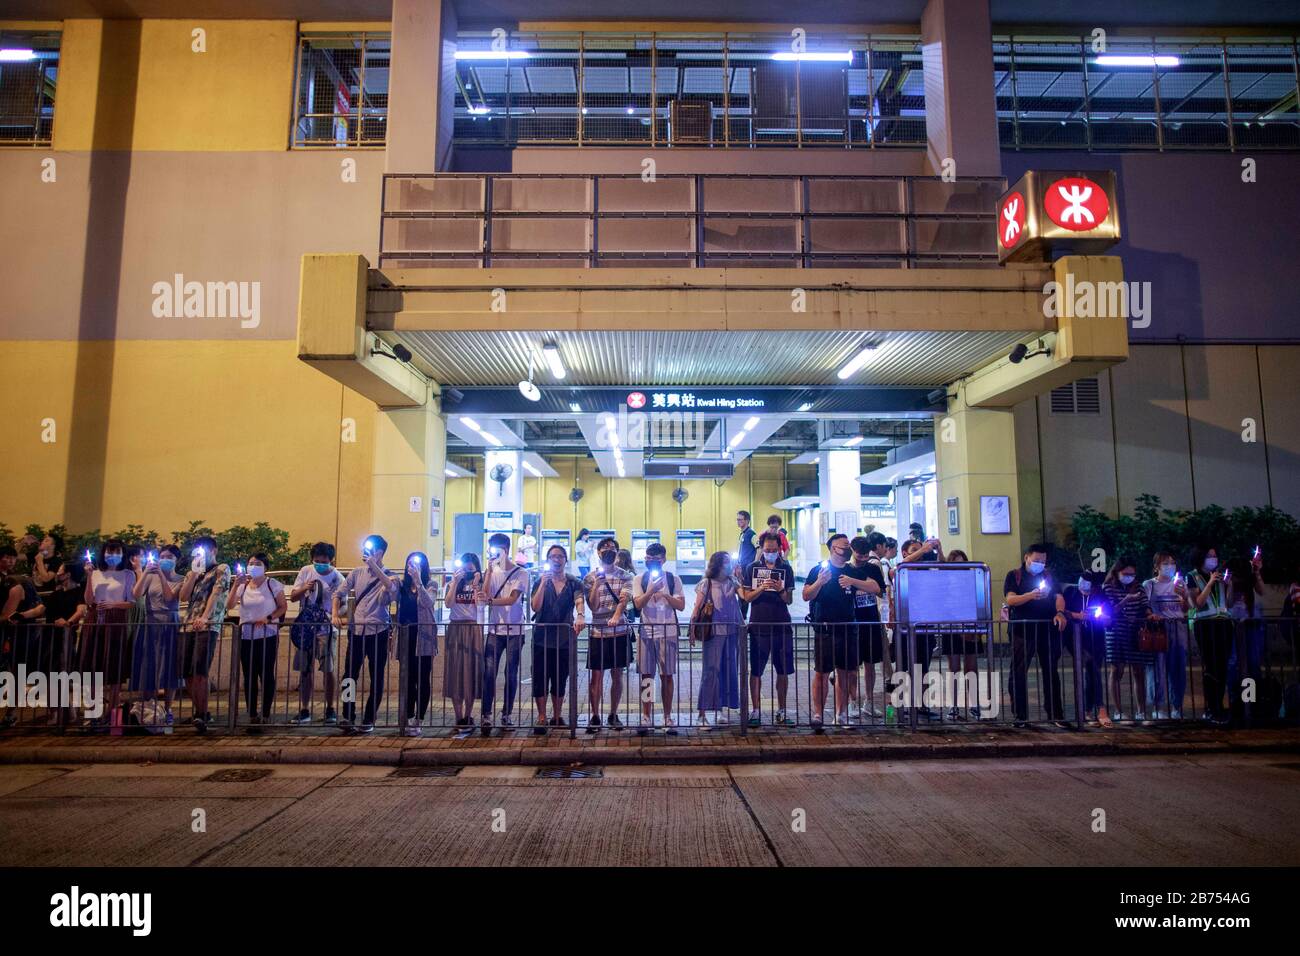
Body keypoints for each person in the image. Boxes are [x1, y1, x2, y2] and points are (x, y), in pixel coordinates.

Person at [803, 534, 876, 730]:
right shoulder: (819, 569)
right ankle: (818, 714)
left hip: (848, 628)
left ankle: (841, 714)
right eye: (844, 547)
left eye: (848, 547)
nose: (847, 550)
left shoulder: (852, 571)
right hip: (825, 628)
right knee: (821, 673)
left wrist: (853, 581)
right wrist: (820, 582)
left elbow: (875, 587)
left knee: (845, 673)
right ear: (832, 548)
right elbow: (806, 595)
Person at [332, 535, 400, 734]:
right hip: (357, 631)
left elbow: (393, 591)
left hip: (378, 631)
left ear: (380, 553)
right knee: (349, 675)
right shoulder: (357, 573)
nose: (368, 552)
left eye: (373, 550)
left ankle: (369, 717)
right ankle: (347, 715)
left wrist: (375, 567)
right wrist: (335, 614)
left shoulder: (390, 575)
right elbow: (338, 593)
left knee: (376, 676)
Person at [1003, 544, 1067, 728]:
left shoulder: (1048, 576)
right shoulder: (1014, 575)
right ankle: (1020, 716)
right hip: (1022, 631)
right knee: (1018, 671)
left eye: (1043, 561)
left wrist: (1060, 612)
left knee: (1051, 671)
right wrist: (1030, 595)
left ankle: (1056, 714)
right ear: (1026, 558)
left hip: (1046, 629)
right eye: (1036, 560)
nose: (1040, 564)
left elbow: (1058, 596)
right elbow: (1011, 599)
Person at [739, 531, 795, 727]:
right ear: (761, 548)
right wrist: (762, 587)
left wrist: (780, 589)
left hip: (782, 625)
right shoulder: (752, 568)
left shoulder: (786, 568)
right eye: (767, 549)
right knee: (756, 671)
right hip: (758, 625)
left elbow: (789, 599)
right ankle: (755, 711)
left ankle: (781, 710)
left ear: (779, 549)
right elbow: (747, 597)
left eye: (774, 550)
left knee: (783, 671)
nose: (771, 553)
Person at [228, 553, 288, 732]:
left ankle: (266, 713)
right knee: (249, 675)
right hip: (246, 635)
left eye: (258, 563)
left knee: (266, 674)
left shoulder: (273, 584)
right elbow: (230, 605)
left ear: (265, 567)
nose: (253, 566)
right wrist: (235, 586)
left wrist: (269, 618)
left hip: (267, 635)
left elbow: (282, 606)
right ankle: (252, 714)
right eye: (251, 563)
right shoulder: (243, 585)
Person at [530, 544, 585, 735]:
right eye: (553, 556)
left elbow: (579, 600)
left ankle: (557, 715)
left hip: (563, 639)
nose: (556, 559)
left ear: (565, 560)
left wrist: (580, 615)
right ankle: (542, 717)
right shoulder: (539, 582)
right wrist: (543, 586)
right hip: (541, 639)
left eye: (560, 556)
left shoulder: (574, 582)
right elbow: (535, 607)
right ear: (547, 560)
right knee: (540, 678)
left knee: (560, 678)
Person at [80, 539, 134, 730]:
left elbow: (131, 601)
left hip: (116, 620)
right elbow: (88, 600)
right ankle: (93, 713)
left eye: (117, 551)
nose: (112, 556)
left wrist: (114, 605)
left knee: (114, 667)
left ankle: (112, 713)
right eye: (109, 552)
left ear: (122, 553)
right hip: (95, 620)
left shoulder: (128, 574)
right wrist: (88, 577)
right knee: (93, 666)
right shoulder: (95, 573)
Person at [179, 536, 231, 734]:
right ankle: (198, 709)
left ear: (213, 551)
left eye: (204, 551)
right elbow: (183, 597)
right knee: (187, 673)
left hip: (207, 625)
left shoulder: (222, 569)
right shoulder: (193, 572)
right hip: (188, 624)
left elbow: (216, 593)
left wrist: (205, 617)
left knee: (200, 670)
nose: (200, 555)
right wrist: (193, 574)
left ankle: (202, 712)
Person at [289, 542, 344, 726]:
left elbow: (344, 604)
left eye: (324, 561)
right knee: (305, 669)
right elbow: (294, 596)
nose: (320, 564)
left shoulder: (337, 578)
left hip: (326, 628)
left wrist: (334, 614)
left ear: (331, 560)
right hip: (306, 627)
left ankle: (330, 709)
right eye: (317, 561)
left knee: (328, 668)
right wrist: (305, 588)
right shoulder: (306, 571)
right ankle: (304, 709)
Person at [632, 541, 685, 733]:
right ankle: (646, 717)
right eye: (648, 558)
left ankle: (667, 717)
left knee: (667, 676)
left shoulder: (673, 579)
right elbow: (638, 604)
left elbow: (681, 605)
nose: (651, 562)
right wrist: (651, 591)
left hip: (668, 632)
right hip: (646, 632)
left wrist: (665, 594)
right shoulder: (639, 578)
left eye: (655, 559)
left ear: (663, 560)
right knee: (647, 676)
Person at [477, 532, 527, 734]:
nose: (494, 553)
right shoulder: (492, 571)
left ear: (506, 549)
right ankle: (486, 715)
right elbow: (484, 595)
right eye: (491, 549)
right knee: (489, 673)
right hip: (494, 630)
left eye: (498, 549)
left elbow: (513, 599)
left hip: (515, 629)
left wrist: (489, 601)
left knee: (511, 673)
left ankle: (506, 714)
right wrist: (488, 573)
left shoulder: (521, 573)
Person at [584, 537, 633, 731]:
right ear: (598, 553)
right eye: (604, 548)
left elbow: (624, 599)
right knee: (595, 675)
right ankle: (595, 716)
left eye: (612, 548)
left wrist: (616, 616)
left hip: (619, 631)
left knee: (617, 674)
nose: (608, 551)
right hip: (598, 632)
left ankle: (613, 714)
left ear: (618, 552)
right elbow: (593, 606)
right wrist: (597, 583)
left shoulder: (625, 576)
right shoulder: (590, 577)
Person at [130, 545, 184, 717]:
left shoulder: (181, 578)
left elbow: (169, 597)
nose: (165, 559)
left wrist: (161, 574)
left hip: (169, 623)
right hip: (150, 623)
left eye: (169, 557)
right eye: (162, 556)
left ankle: (168, 709)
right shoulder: (150, 576)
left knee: (169, 666)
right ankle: (149, 708)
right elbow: (136, 593)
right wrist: (145, 572)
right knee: (148, 665)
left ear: (177, 560)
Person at [692, 550, 741, 729]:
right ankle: (702, 713)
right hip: (713, 632)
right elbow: (696, 608)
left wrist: (740, 577)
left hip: (731, 631)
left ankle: (720, 710)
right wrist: (691, 630)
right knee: (710, 671)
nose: (730, 565)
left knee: (727, 671)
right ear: (719, 565)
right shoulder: (706, 583)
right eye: (727, 562)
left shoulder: (732, 581)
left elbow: (743, 597)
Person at [1102, 557, 1152, 724]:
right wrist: (1126, 600)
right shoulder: (1108, 587)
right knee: (1117, 670)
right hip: (1115, 632)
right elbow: (1110, 611)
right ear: (1117, 572)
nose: (1130, 576)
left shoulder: (1138, 586)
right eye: (1126, 573)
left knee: (1139, 671)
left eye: (1132, 574)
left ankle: (1141, 711)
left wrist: (1150, 614)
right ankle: (1118, 711)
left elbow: (1145, 605)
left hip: (1135, 631)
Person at [1, 546, 45, 729]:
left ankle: (10, 713)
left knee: (16, 675)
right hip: (14, 635)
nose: (11, 561)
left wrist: (21, 616)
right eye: (7, 557)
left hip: (17, 636)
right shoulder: (15, 582)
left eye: (13, 557)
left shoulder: (18, 582)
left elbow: (39, 607)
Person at [1142, 552, 1190, 720]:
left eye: (1172, 562)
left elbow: (1186, 610)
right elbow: (1144, 606)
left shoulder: (1180, 583)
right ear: (1156, 567)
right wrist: (1151, 615)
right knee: (1157, 669)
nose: (1170, 566)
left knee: (1178, 669)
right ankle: (1158, 706)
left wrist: (1183, 595)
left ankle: (1177, 706)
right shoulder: (1149, 585)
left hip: (1178, 629)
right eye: (1165, 563)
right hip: (1159, 630)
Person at [397, 552, 439, 737]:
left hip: (424, 637)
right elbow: (386, 597)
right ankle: (407, 717)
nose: (413, 566)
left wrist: (419, 581)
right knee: (408, 679)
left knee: (422, 678)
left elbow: (427, 603)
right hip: (406, 635)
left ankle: (419, 719)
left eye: (417, 563)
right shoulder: (401, 586)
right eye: (410, 563)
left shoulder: (431, 584)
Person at [938, 548, 984, 720]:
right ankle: (954, 705)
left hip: (970, 627)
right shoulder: (946, 581)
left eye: (962, 563)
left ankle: (974, 704)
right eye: (955, 562)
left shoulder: (972, 580)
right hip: (951, 628)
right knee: (954, 669)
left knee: (971, 668)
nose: (959, 566)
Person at [1188, 546, 1232, 723]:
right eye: (1209, 556)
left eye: (1215, 556)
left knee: (1222, 667)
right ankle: (1210, 707)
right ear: (1200, 557)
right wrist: (1210, 582)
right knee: (1211, 666)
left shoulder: (1220, 576)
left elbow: (1228, 602)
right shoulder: (1193, 576)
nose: (1213, 559)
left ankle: (1220, 706)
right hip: (1205, 625)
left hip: (1223, 624)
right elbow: (1196, 603)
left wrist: (1231, 584)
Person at [847, 535, 888, 720]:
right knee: (852, 666)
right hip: (853, 621)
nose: (862, 559)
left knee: (871, 664)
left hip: (871, 620)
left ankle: (869, 701)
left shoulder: (873, 567)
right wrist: (868, 585)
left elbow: (878, 590)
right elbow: (870, 586)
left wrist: (855, 582)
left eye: (865, 556)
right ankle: (852, 701)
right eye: (859, 556)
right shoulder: (845, 568)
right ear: (852, 551)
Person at [41, 559, 86, 726]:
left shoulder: (79, 592)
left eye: (60, 570)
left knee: (64, 673)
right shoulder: (55, 593)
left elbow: (81, 610)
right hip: (50, 636)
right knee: (50, 674)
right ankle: (54, 711)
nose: (58, 573)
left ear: (68, 574)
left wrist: (68, 623)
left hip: (66, 636)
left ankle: (68, 710)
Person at [1063, 570, 1110, 727]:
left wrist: (1101, 616)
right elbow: (1063, 610)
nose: (1083, 583)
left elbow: (1108, 614)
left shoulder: (1099, 594)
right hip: (1075, 638)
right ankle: (1100, 707)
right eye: (1082, 579)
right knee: (1091, 665)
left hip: (1095, 637)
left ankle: (1088, 711)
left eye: (1088, 581)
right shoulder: (1070, 592)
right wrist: (1077, 615)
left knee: (1093, 671)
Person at [443, 554, 484, 727]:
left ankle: (468, 715)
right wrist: (454, 582)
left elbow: (479, 605)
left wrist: (475, 584)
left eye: (471, 569)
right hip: (455, 628)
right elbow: (448, 604)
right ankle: (459, 716)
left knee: (471, 672)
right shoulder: (453, 583)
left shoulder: (481, 584)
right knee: (455, 671)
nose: (467, 572)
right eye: (465, 568)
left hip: (473, 629)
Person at [1225, 551, 1265, 725]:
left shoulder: (1251, 580)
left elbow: (1262, 591)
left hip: (1251, 624)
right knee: (1234, 664)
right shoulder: (1230, 581)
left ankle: (1250, 701)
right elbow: (1228, 603)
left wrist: (1257, 573)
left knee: (1252, 664)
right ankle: (1237, 702)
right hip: (1234, 624)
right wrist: (1231, 584)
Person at [736, 511, 757, 621]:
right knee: (740, 593)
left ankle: (742, 619)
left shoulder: (751, 534)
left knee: (744, 594)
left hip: (747, 569)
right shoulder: (742, 534)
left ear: (747, 521)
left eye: (741, 519)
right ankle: (740, 618)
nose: (738, 521)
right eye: (737, 519)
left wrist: (754, 563)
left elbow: (760, 548)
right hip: (741, 569)